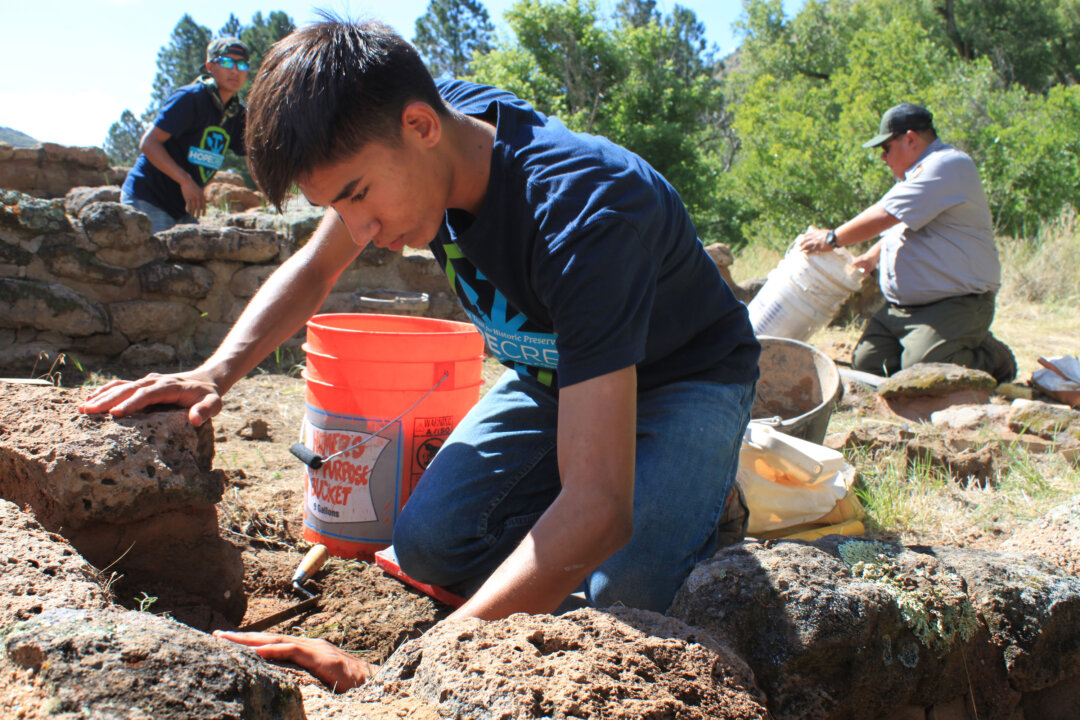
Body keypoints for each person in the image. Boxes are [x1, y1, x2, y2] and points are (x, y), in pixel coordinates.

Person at [80, 18, 760, 690]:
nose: (362, 232)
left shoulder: (585, 215)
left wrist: (407, 672)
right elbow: (315, 271)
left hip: (684, 379)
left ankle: (694, 497)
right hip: (556, 379)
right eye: (336, 207)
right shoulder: (412, 127)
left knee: (621, 601)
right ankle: (615, 481)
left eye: (356, 197)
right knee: (430, 542)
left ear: (421, 127)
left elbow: (599, 510)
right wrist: (213, 373)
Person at [795, 102, 1015, 382]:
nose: (884, 158)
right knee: (868, 365)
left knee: (923, 371)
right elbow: (902, 225)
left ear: (909, 139)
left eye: (886, 149)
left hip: (954, 303)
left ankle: (992, 355)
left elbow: (887, 214)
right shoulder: (916, 175)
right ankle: (944, 343)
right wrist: (874, 255)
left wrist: (832, 238)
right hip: (903, 308)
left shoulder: (947, 164)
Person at [119, 37, 250, 234]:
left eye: (241, 64)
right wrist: (185, 180)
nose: (234, 70)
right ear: (209, 67)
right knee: (162, 262)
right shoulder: (190, 99)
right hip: (147, 198)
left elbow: (252, 153)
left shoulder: (237, 114)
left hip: (182, 209)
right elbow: (149, 143)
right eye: (226, 62)